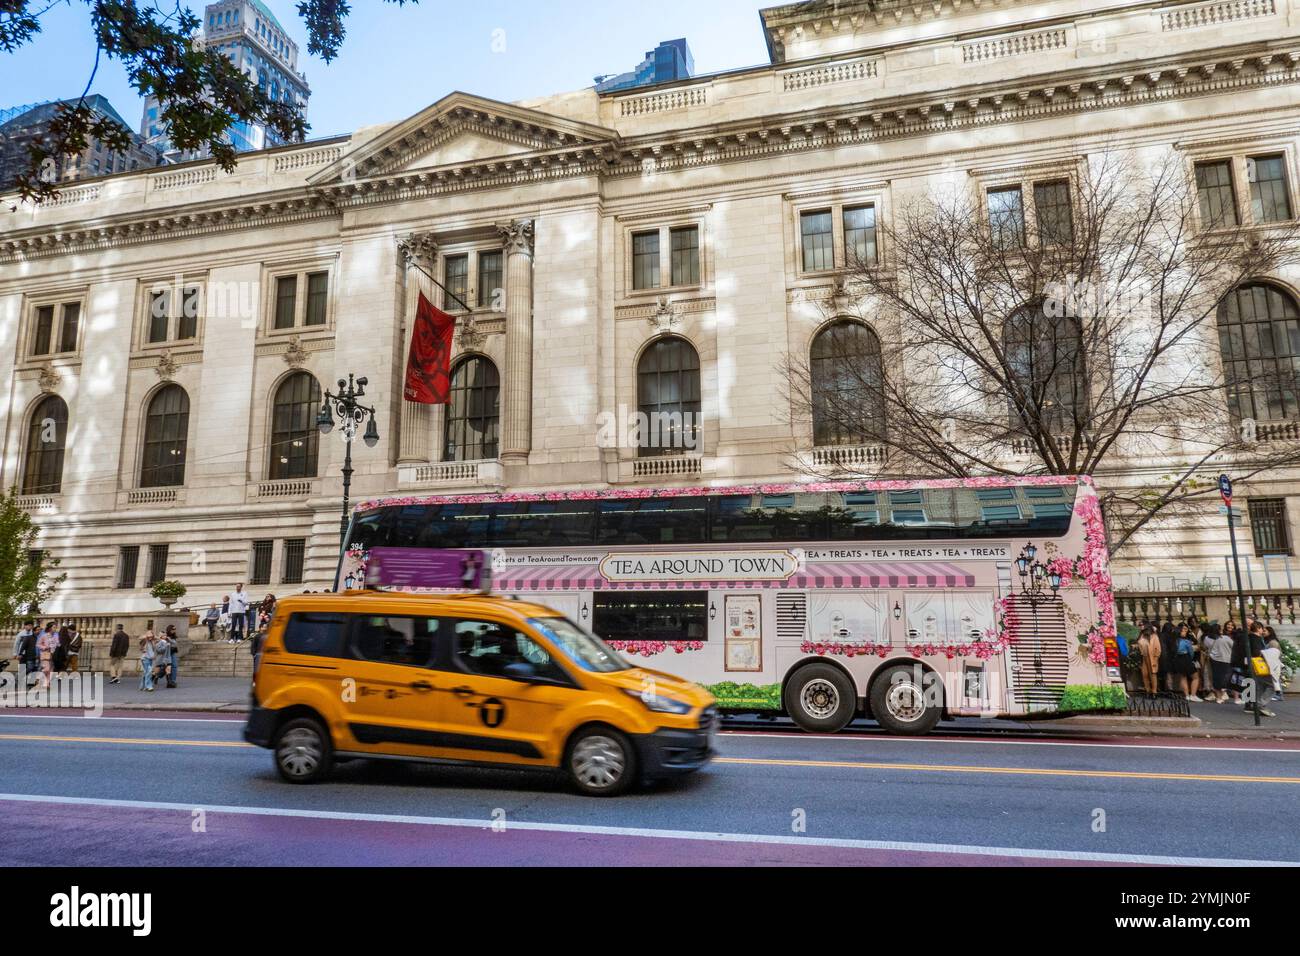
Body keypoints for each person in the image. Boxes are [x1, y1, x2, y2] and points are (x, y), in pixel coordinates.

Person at [1232, 622, 1275, 718]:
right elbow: (1256, 652)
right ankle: (1257, 704)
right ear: (1258, 628)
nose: (1262, 631)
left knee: (1253, 684)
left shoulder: (1247, 637)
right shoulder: (1255, 638)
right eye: (1262, 629)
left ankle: (1252, 704)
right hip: (1256, 665)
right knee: (1267, 685)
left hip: (1248, 664)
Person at [1174, 623, 1199, 701]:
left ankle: (1187, 695)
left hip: (1178, 659)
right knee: (1195, 677)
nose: (1185, 631)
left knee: (1183, 677)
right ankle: (1193, 695)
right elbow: (1191, 652)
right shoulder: (1186, 641)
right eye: (1183, 630)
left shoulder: (1175, 641)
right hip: (1186, 658)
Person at [1136, 625, 1161, 695]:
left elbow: (1158, 648)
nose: (1141, 627)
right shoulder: (1141, 635)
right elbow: (1140, 644)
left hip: (1152, 657)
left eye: (1142, 625)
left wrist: (1156, 658)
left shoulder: (1154, 636)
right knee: (1144, 674)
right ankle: (1148, 690)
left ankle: (1154, 691)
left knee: (1152, 674)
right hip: (1144, 656)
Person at [36, 622, 58, 689]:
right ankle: (38, 677)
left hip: (53, 655)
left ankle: (47, 683)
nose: (55, 629)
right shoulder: (44, 636)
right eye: (54, 627)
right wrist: (44, 647)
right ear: (50, 628)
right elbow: (38, 644)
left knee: (51, 670)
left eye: (55, 627)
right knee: (46, 669)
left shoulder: (55, 636)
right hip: (45, 654)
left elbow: (57, 644)